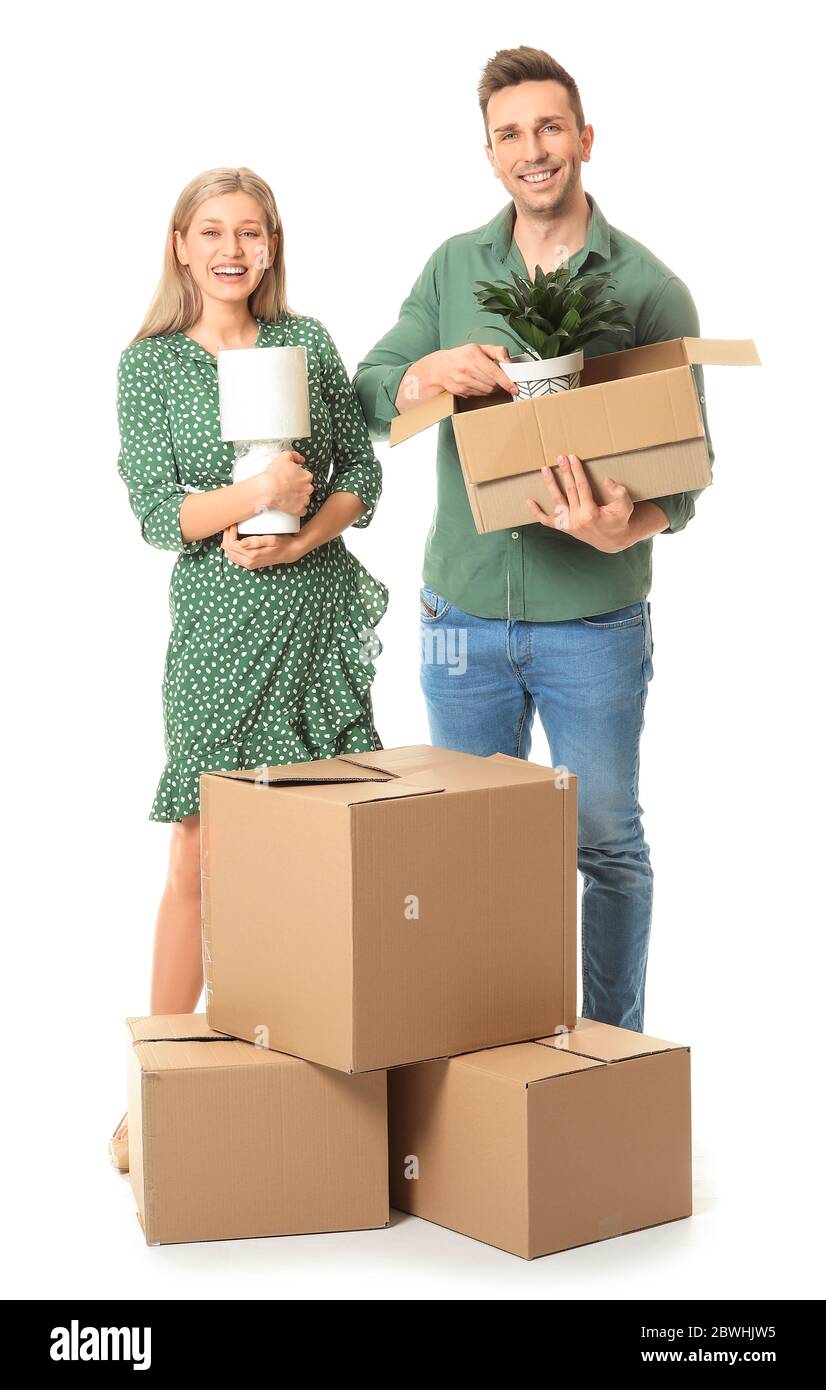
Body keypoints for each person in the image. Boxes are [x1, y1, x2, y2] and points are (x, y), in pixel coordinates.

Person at [353, 46, 715, 1035]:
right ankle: (481, 1065)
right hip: (455, 616)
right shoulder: (452, 269)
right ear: (490, 154)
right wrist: (425, 370)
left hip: (591, 626)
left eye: (549, 127)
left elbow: (688, 473)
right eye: (510, 134)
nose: (533, 149)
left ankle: (606, 1059)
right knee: (462, 852)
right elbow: (370, 390)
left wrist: (623, 525)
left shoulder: (648, 289)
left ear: (584, 139)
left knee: (605, 848)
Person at [109, 167, 386, 1170]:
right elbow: (157, 512)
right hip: (219, 630)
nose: (233, 248)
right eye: (213, 230)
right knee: (199, 859)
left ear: (271, 246)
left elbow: (360, 470)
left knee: (323, 865)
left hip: (313, 620)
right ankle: (156, 1092)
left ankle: (328, 1091)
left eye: (253, 232)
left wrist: (301, 533)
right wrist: (254, 496)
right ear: (181, 244)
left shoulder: (303, 342)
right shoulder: (150, 367)